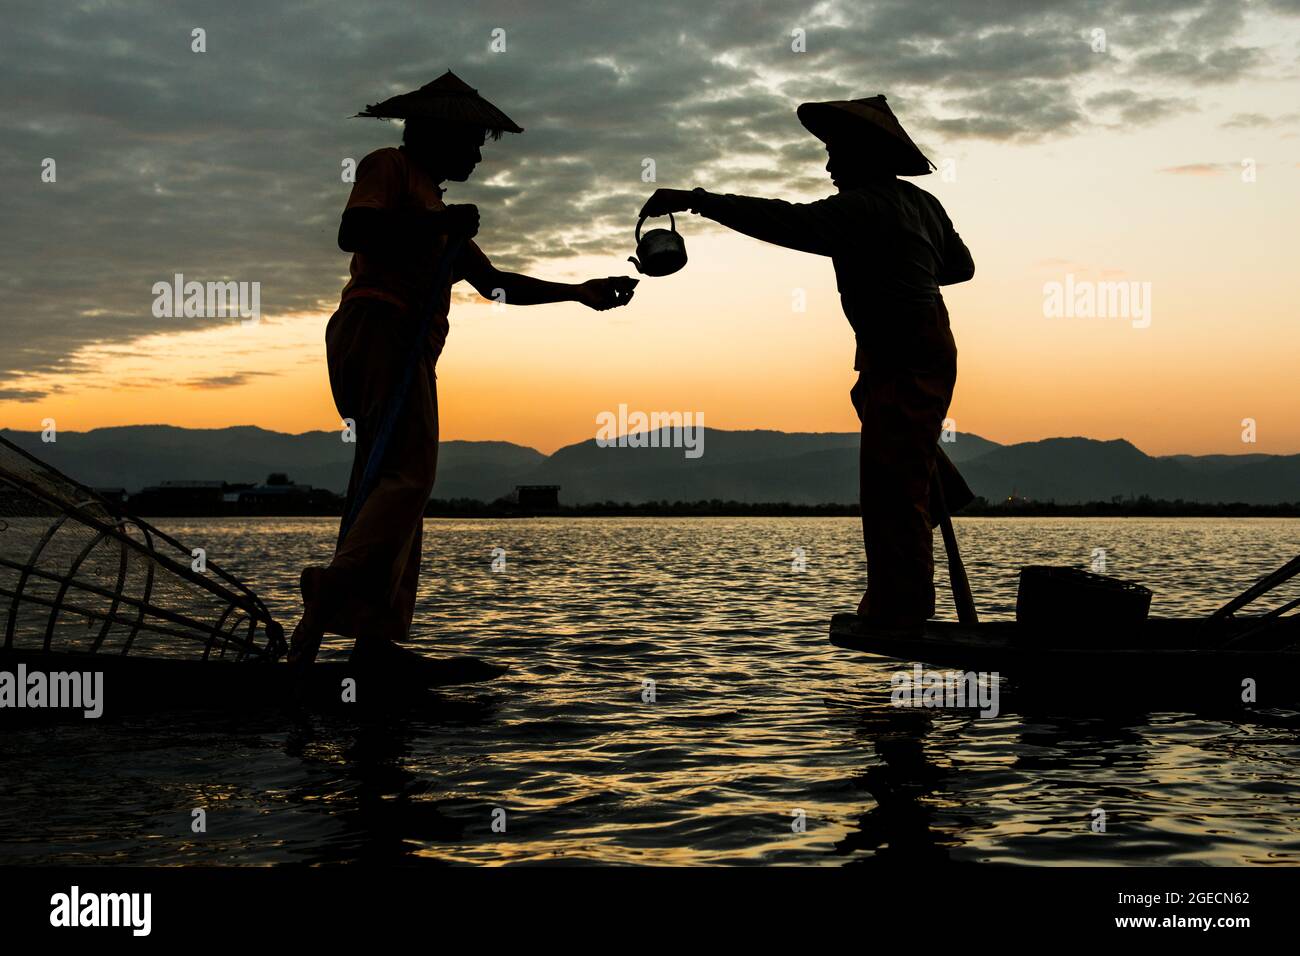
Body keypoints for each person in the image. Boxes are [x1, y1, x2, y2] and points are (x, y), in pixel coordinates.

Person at [290, 71, 637, 667]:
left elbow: (497, 285)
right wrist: (438, 225)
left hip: (407, 346)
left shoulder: (438, 206)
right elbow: (356, 231)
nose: (478, 154)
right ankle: (335, 589)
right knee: (408, 478)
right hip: (377, 329)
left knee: (392, 486)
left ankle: (374, 638)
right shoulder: (391, 168)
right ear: (436, 135)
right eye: (472, 141)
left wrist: (579, 292)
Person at [640, 94, 974, 632]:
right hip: (922, 347)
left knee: (892, 493)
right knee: (880, 425)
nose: (828, 166)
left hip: (905, 350)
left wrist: (698, 200)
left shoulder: (862, 207)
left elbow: (784, 222)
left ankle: (901, 611)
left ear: (864, 157)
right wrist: (907, 262)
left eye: (835, 154)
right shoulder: (921, 204)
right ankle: (939, 483)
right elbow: (961, 267)